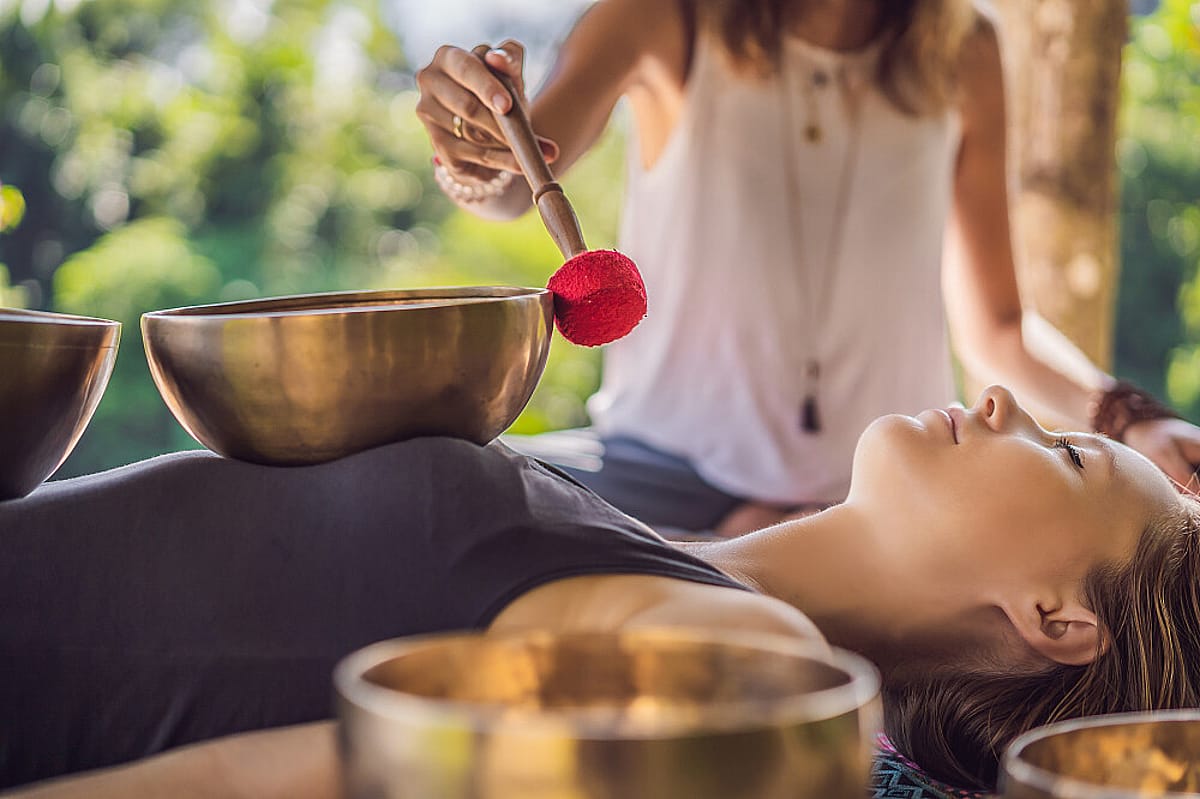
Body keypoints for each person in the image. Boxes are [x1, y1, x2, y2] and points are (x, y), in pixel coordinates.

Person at [3, 385, 1199, 796]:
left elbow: (277, 782)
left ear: (1061, 617)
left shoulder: (747, 672)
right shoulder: (661, 544)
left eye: (1065, 453)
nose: (1002, 403)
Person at [414, 0, 1200, 536]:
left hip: (890, 507)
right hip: (654, 479)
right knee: (434, 493)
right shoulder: (664, 16)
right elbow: (516, 181)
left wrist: (1132, 419)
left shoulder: (965, 49)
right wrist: (472, 142)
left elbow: (998, 330)